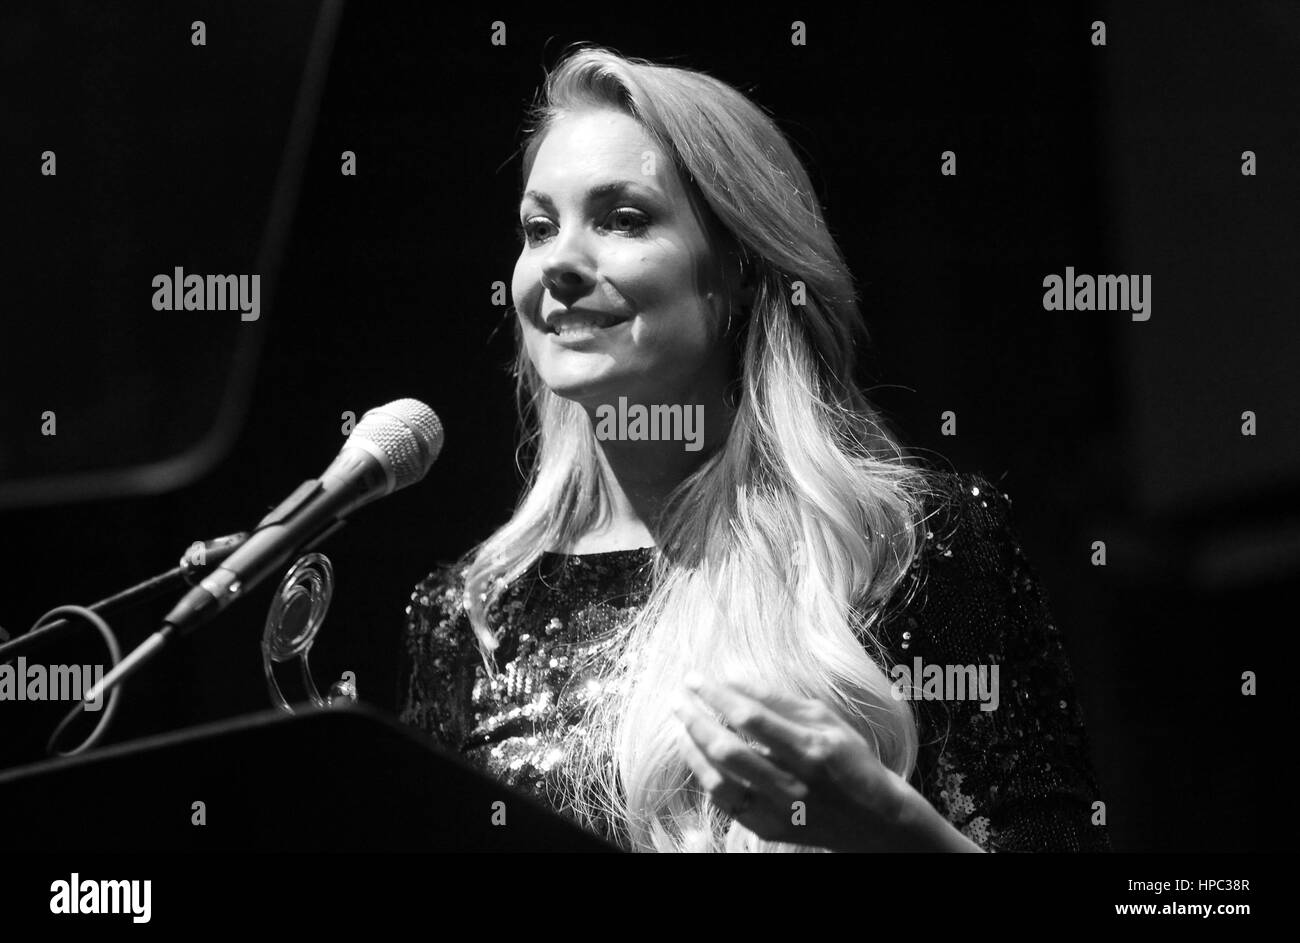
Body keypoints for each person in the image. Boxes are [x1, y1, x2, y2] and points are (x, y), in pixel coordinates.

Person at [397, 46, 1109, 853]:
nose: (558, 261)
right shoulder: (469, 617)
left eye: (622, 218)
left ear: (740, 263)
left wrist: (888, 830)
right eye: (538, 227)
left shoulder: (905, 546)